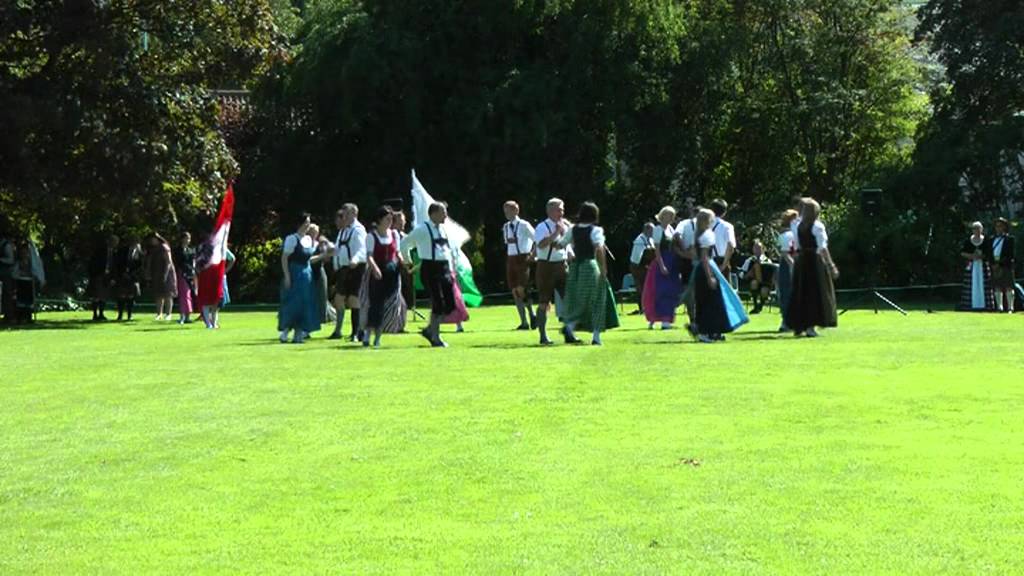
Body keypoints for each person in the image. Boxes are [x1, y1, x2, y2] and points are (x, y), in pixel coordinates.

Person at [560, 202, 620, 345]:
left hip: (575, 268)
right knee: (597, 300)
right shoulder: (596, 230)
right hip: (590, 265)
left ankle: (570, 326)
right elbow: (599, 249)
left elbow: (560, 244)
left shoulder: (572, 229)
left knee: (578, 299)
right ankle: (596, 337)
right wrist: (603, 268)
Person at [401, 202, 457, 347]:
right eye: (443, 212)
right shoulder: (422, 229)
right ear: (433, 214)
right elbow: (405, 243)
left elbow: (447, 250)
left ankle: (429, 329)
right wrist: (408, 261)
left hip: (444, 267)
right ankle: (435, 337)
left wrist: (451, 268)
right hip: (430, 268)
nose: (446, 215)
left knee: (450, 305)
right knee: (438, 302)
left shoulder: (444, 230)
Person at [692, 208, 749, 343]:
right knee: (712, 301)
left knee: (706, 300)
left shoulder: (697, 233)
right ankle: (706, 331)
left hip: (700, 268)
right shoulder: (707, 234)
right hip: (707, 267)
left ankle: (712, 331)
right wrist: (709, 276)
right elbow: (705, 257)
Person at [785, 198, 839, 337]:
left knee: (801, 291)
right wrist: (831, 265)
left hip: (802, 260)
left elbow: (796, 245)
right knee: (815, 293)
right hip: (814, 261)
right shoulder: (817, 226)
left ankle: (800, 326)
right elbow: (822, 248)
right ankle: (810, 326)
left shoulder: (797, 225)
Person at [359, 206, 407, 347]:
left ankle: (381, 334)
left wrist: (403, 262)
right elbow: (369, 256)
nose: (390, 221)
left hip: (392, 272)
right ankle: (369, 334)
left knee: (391, 303)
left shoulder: (394, 235)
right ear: (380, 220)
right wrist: (375, 269)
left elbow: (397, 252)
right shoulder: (371, 236)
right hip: (378, 274)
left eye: (391, 219)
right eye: (387, 219)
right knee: (375, 305)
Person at [533, 198, 573, 346]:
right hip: (546, 267)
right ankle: (543, 335)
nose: (561, 212)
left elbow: (567, 244)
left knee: (569, 300)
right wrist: (556, 233)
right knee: (544, 302)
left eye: (562, 209)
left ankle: (569, 333)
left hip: (562, 266)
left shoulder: (565, 226)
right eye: (559, 209)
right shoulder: (541, 227)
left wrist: (570, 253)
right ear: (549, 211)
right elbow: (541, 244)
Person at [279, 213, 324, 343]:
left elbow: (308, 259)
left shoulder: (309, 240)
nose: (308, 225)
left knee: (305, 304)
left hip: (307, 275)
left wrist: (322, 256)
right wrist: (287, 276)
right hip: (295, 273)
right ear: (300, 224)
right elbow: (284, 258)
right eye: (307, 222)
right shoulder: (292, 239)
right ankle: (285, 332)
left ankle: (298, 334)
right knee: (294, 303)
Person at [328, 204, 367, 342]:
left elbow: (363, 249)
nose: (343, 216)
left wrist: (355, 259)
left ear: (353, 214)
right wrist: (334, 262)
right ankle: (338, 330)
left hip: (356, 268)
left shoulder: (358, 230)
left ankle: (356, 332)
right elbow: (338, 250)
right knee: (339, 298)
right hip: (344, 269)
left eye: (346, 213)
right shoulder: (343, 231)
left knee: (353, 299)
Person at [642, 206, 682, 330]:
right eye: (668, 215)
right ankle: (659, 319)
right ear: (662, 216)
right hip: (662, 262)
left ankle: (666, 318)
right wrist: (662, 266)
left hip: (672, 263)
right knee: (661, 291)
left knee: (672, 292)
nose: (670, 218)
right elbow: (657, 250)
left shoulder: (671, 229)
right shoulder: (658, 230)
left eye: (672, 216)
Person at [502, 201, 536, 330]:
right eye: (505, 212)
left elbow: (536, 239)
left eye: (510, 211)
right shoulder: (506, 227)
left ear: (516, 210)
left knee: (523, 289)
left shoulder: (524, 225)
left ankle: (532, 314)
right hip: (511, 259)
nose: (507, 214)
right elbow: (508, 243)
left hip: (523, 258)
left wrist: (532, 255)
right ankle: (524, 321)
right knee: (514, 290)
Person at [959, 221, 995, 312]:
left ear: (982, 230)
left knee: (984, 285)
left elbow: (989, 253)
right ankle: (969, 305)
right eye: (975, 229)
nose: (977, 231)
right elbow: (962, 253)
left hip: (983, 266)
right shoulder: (968, 241)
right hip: (971, 266)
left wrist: (981, 256)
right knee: (971, 285)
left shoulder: (986, 240)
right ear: (972, 230)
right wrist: (971, 256)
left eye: (979, 229)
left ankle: (986, 305)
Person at [776, 209, 799, 332]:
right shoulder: (788, 235)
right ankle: (788, 321)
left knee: (786, 294)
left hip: (788, 265)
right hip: (789, 265)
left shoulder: (785, 235)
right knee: (787, 293)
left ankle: (787, 321)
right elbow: (786, 254)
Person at [11, 241, 45, 324]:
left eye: (26, 252)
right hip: (21, 283)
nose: (24, 254)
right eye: (23, 252)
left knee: (29, 302)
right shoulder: (19, 263)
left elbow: (36, 271)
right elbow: (15, 273)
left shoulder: (32, 263)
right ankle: (20, 318)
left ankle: (28, 317)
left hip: (29, 283)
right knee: (21, 302)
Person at [738, 239, 776, 314]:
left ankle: (760, 306)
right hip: (752, 282)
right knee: (754, 283)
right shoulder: (749, 260)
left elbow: (771, 274)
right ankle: (755, 305)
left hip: (765, 283)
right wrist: (747, 274)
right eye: (755, 248)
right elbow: (741, 273)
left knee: (764, 290)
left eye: (759, 248)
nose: (757, 250)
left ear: (762, 249)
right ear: (753, 249)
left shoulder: (767, 261)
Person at [145, 233, 177, 320]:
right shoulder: (152, 249)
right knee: (158, 294)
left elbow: (168, 262)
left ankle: (168, 314)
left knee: (168, 294)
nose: (152, 241)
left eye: (153, 239)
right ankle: (159, 314)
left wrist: (165, 274)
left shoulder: (164, 247)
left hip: (167, 272)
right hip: (157, 273)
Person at [87, 234, 118, 322]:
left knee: (104, 296)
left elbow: (115, 267)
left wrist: (113, 278)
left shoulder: (115, 253)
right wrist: (94, 274)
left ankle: (101, 313)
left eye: (115, 242)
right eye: (113, 241)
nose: (114, 244)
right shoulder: (100, 251)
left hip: (108, 276)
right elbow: (92, 263)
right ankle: (95, 314)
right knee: (96, 295)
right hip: (98, 275)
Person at [308, 224, 333, 326]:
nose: (314, 233)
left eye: (316, 232)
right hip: (309, 271)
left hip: (319, 271)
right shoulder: (305, 244)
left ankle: (324, 317)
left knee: (322, 296)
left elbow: (327, 258)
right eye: (312, 231)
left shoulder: (320, 244)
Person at [629, 223, 656, 315]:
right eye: (652, 230)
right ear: (646, 230)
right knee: (641, 288)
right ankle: (642, 308)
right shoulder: (639, 240)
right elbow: (637, 258)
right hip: (638, 267)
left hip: (646, 267)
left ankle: (649, 307)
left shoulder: (651, 240)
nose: (654, 232)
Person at [114, 235, 144, 321]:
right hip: (122, 275)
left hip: (133, 277)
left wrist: (133, 274)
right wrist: (122, 273)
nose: (134, 244)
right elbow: (118, 263)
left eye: (136, 242)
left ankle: (129, 315)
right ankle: (120, 315)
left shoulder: (140, 253)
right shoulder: (123, 250)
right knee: (121, 296)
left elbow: (141, 266)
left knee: (131, 296)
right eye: (133, 242)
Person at [989, 217, 1016, 313]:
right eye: (997, 226)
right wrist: (992, 263)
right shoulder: (992, 239)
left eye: (1000, 226)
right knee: (997, 286)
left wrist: (999, 263)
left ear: (1004, 227)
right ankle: (999, 307)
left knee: (1009, 286)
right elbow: (989, 253)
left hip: (1006, 265)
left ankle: (1010, 307)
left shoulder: (1010, 239)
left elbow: (1010, 254)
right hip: (994, 265)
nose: (998, 228)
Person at [392, 210, 415, 314]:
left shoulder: (406, 237)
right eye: (400, 221)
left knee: (408, 291)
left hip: (407, 266)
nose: (403, 223)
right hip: (396, 265)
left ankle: (407, 309)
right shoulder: (391, 236)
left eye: (403, 221)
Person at [173, 231, 197, 324]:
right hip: (181, 273)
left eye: (189, 238)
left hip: (189, 273)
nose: (188, 240)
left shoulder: (191, 250)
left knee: (189, 294)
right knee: (183, 294)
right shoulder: (177, 250)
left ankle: (187, 316)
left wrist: (193, 271)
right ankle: (182, 316)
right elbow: (177, 262)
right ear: (182, 239)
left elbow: (193, 262)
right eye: (186, 238)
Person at [710, 199, 737, 275]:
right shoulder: (727, 226)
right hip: (721, 261)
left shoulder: (704, 225)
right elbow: (731, 246)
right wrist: (723, 266)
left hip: (706, 262)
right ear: (724, 212)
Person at [0, 226, 16, 324]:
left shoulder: (7, 245)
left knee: (7, 294)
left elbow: (11, 260)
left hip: (6, 272)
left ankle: (9, 316)